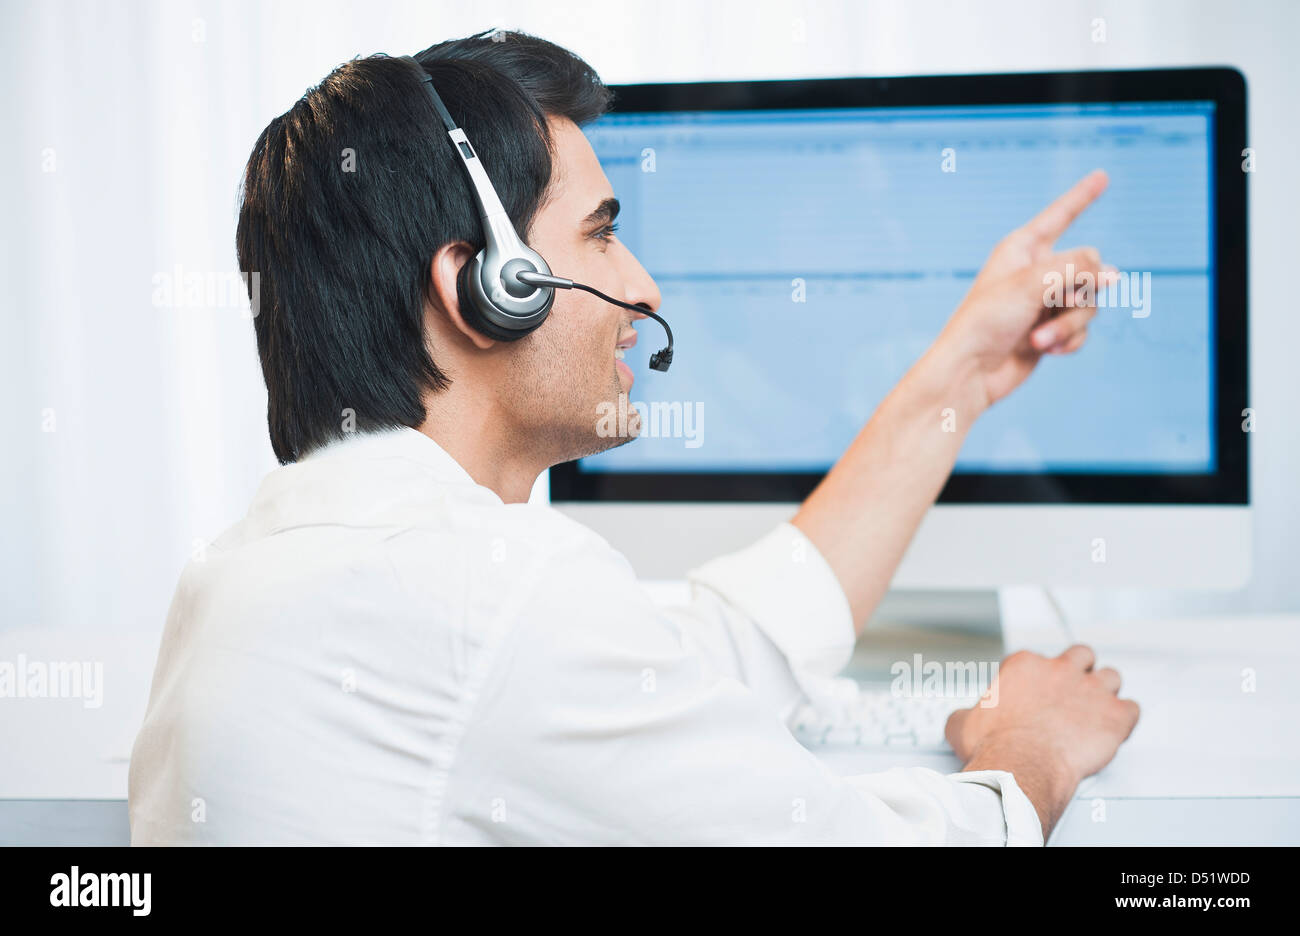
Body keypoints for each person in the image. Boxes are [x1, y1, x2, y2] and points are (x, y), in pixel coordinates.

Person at [128, 29, 1138, 845]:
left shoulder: (262, 570)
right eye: (602, 235)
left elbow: (716, 651)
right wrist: (1027, 750)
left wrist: (964, 367)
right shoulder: (486, 598)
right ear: (488, 285)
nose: (643, 288)